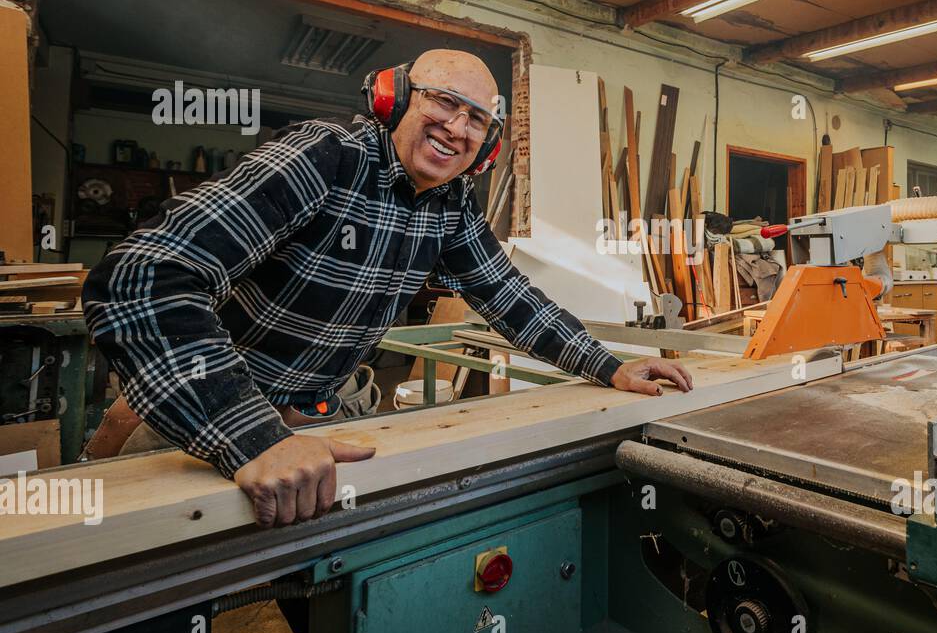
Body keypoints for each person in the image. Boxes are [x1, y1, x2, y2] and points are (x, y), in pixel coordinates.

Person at [83, 49, 692, 529]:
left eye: (477, 120)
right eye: (445, 102)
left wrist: (611, 368)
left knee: (339, 597)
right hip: (209, 410)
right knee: (136, 632)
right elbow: (140, 279)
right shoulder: (324, 159)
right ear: (392, 98)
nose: (458, 127)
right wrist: (251, 437)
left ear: (490, 145)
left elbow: (510, 297)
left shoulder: (450, 205)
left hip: (318, 417)